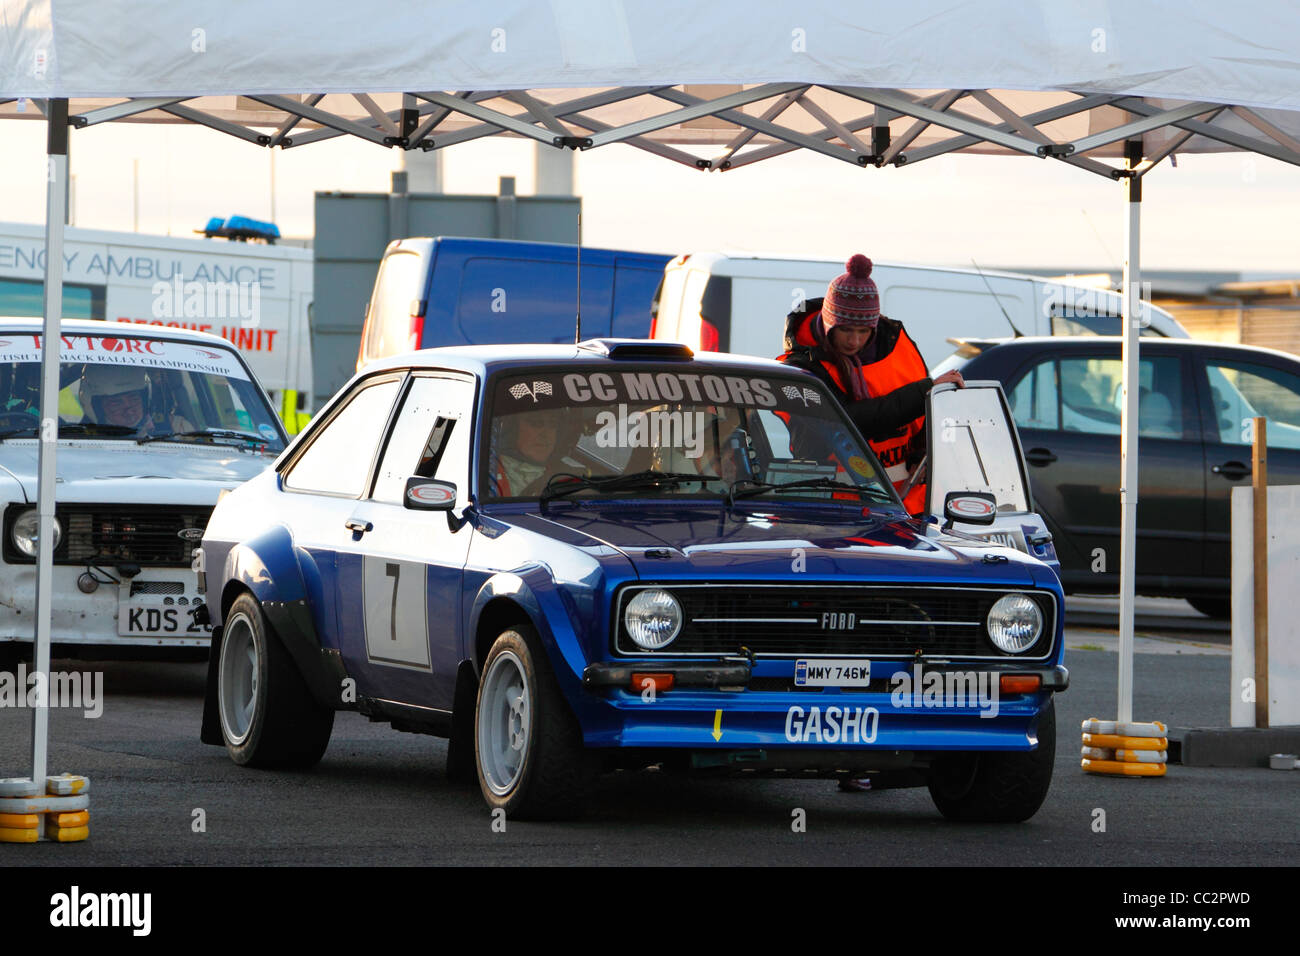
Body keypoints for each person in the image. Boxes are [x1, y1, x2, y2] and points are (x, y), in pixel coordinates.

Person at [778, 254, 963, 515]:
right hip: (837, 510)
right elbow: (846, 419)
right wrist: (924, 392)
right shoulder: (804, 368)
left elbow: (923, 421)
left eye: (863, 331)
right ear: (830, 322)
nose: (854, 341)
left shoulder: (899, 346)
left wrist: (922, 453)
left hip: (908, 508)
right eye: (846, 330)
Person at [79, 364, 192, 436]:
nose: (129, 411)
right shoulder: (80, 441)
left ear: (145, 399)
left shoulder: (176, 428)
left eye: (134, 399)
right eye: (117, 404)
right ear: (96, 406)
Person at [491, 408, 562, 496]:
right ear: (513, 429)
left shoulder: (567, 474)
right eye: (536, 423)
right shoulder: (490, 473)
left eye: (552, 424)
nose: (546, 434)